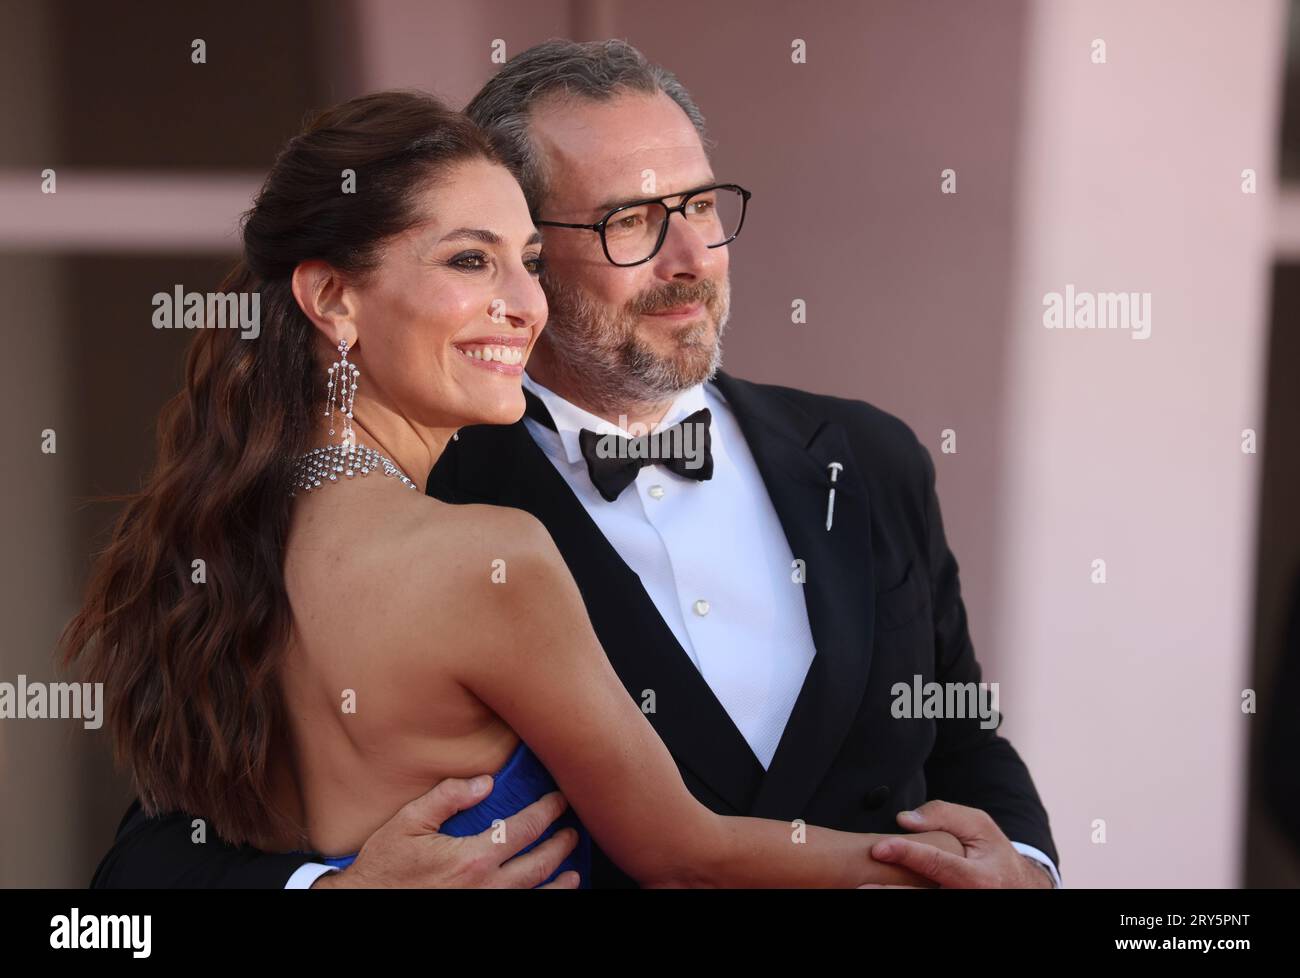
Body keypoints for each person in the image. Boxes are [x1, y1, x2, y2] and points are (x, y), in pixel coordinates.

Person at [87, 39, 1060, 890]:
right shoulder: (433, 509)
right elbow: (151, 863)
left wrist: (1024, 870)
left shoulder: (871, 458)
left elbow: (963, 744)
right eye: (630, 221)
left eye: (701, 206)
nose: (689, 256)